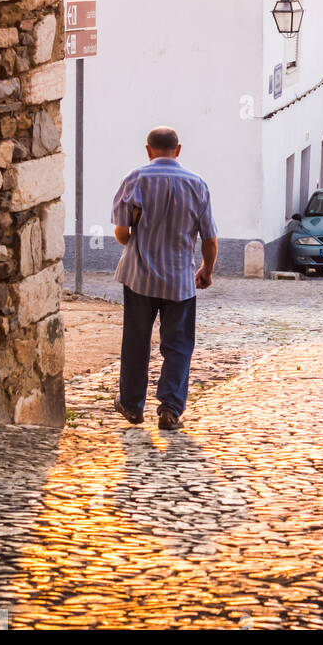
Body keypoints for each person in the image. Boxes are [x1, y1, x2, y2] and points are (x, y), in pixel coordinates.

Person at [111, 126, 218, 431]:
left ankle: (132, 406)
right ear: (178, 150)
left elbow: (122, 233)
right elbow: (210, 238)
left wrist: (137, 235)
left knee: (135, 341)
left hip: (139, 277)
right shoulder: (197, 185)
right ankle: (170, 409)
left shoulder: (135, 180)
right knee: (179, 345)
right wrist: (206, 270)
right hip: (179, 280)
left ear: (148, 150)